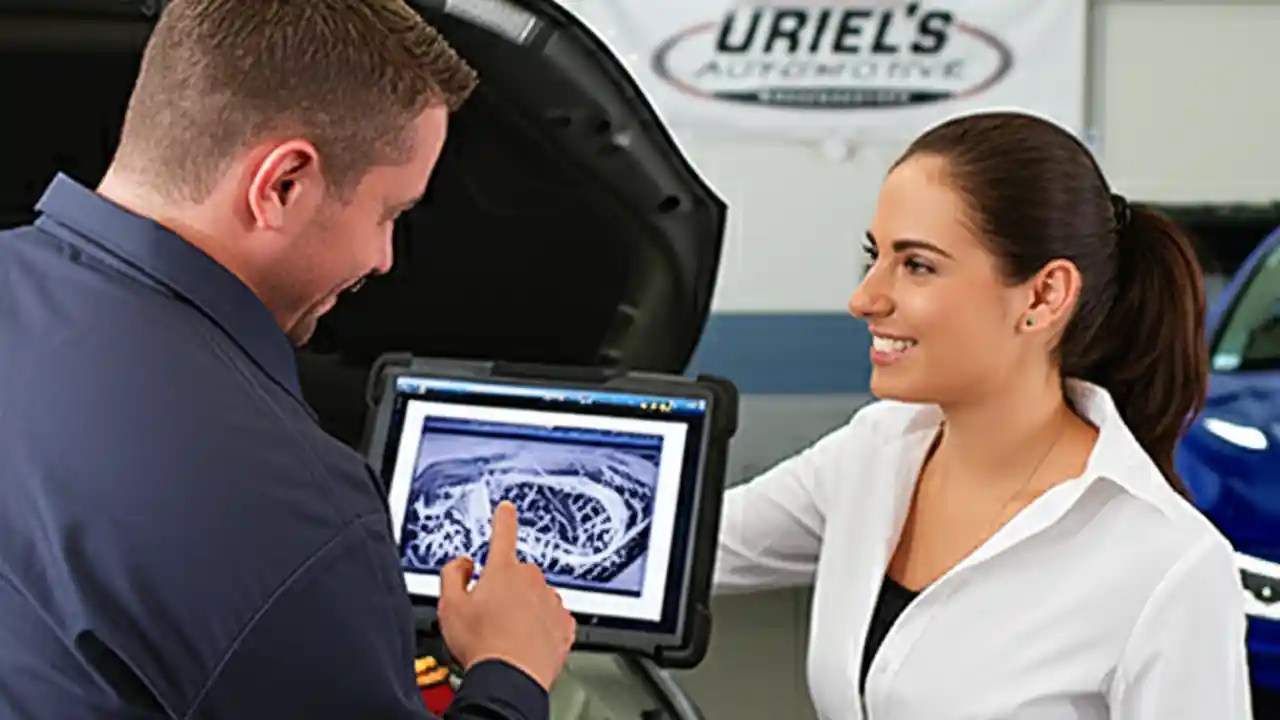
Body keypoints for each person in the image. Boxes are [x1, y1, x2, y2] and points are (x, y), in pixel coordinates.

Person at [0, 1, 574, 718]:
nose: (383, 258)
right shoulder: (300, 521)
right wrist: (510, 670)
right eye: (389, 214)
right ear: (282, 185)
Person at [713, 110, 1253, 719]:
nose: (864, 298)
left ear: (1044, 296)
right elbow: (679, 545)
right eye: (875, 255)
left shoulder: (1167, 564)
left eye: (917, 264)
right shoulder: (874, 451)